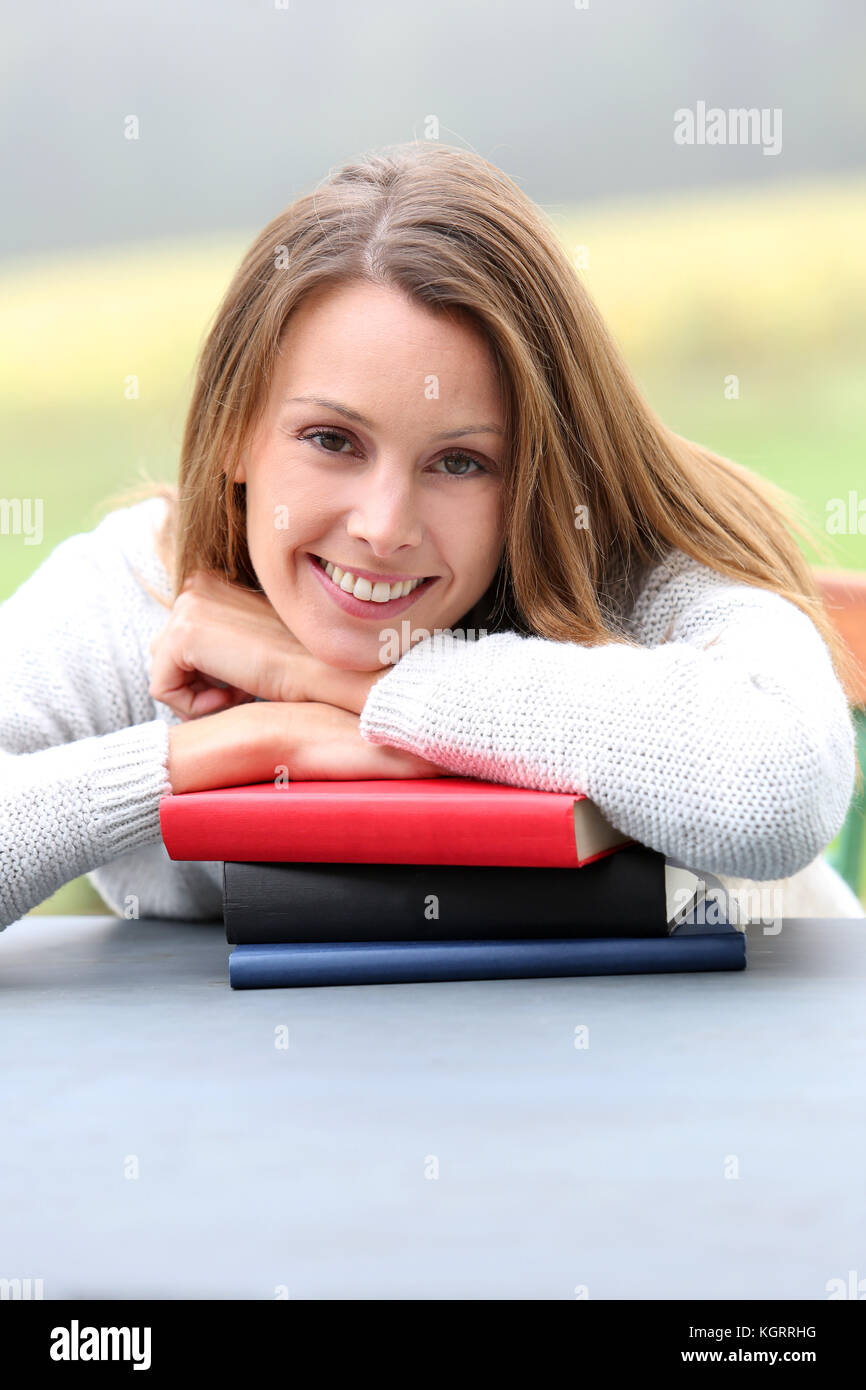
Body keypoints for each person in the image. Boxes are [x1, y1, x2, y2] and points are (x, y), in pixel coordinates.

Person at [1, 141, 862, 931]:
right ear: (235, 430)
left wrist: (341, 683)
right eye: (332, 441)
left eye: (459, 463)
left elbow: (771, 791)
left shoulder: (624, 573)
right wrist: (224, 747)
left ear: (534, 471)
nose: (382, 528)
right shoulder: (145, 597)